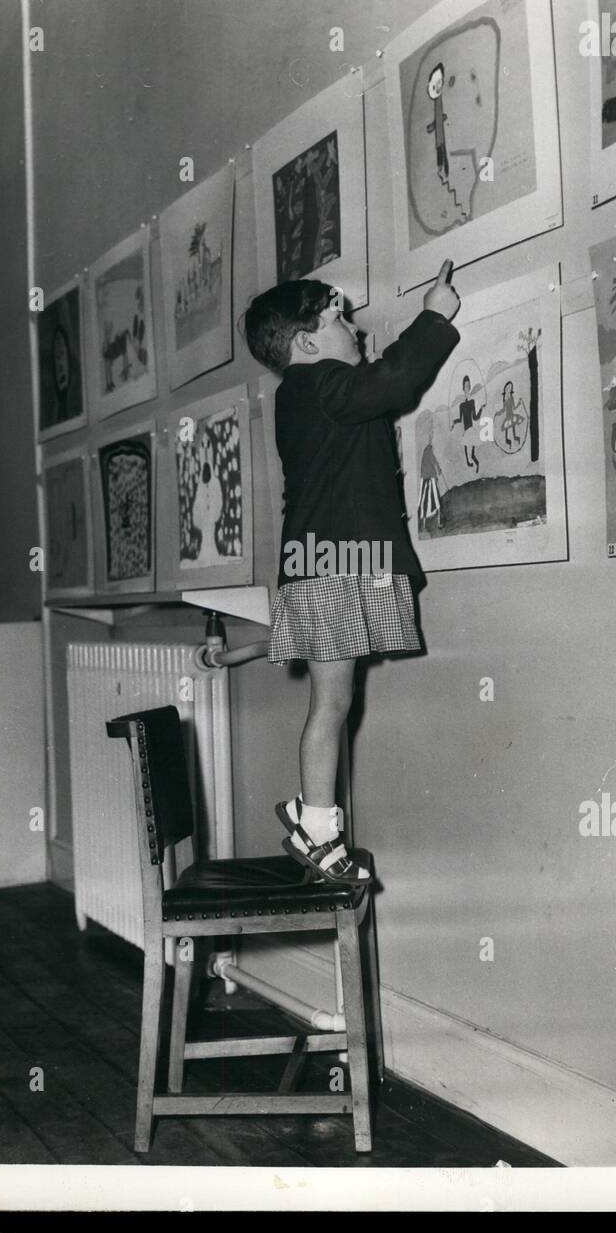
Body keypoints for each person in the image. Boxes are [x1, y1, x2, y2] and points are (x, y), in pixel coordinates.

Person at [244, 260, 461, 885]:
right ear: (307, 343)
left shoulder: (312, 393)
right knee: (332, 701)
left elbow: (379, 379)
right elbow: (392, 381)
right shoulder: (319, 387)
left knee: (335, 699)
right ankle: (315, 824)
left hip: (331, 561)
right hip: (329, 564)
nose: (356, 329)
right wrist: (434, 314)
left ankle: (312, 815)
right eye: (341, 318)